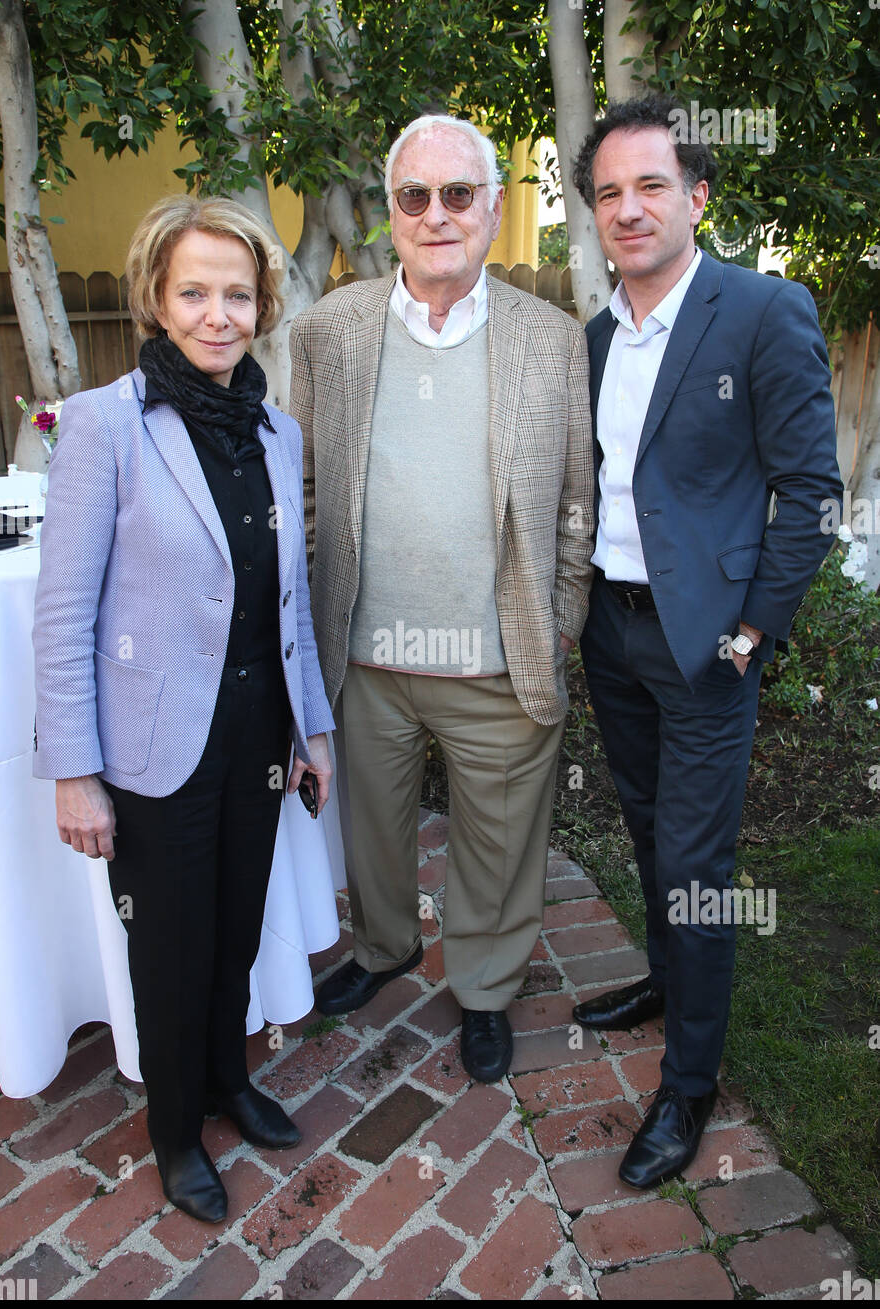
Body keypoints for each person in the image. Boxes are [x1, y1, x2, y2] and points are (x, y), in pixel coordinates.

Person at [33, 195, 334, 1222]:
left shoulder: (276, 429)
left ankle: (227, 1081)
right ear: (156, 300)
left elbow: (290, 600)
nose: (218, 314)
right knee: (167, 946)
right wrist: (75, 770)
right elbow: (62, 613)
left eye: (237, 294)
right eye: (194, 292)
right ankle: (173, 1135)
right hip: (153, 747)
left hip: (257, 731)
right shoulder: (101, 425)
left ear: (263, 305)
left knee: (236, 927)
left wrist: (312, 730)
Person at [570, 96, 842, 1186]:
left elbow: (810, 492)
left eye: (649, 186)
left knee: (697, 867)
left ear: (697, 196)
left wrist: (748, 639)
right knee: (645, 830)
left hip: (706, 651)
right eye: (607, 194)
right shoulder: (596, 339)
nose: (628, 210)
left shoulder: (762, 310)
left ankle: (688, 1091)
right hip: (612, 630)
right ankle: (665, 981)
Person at [290, 113, 594, 1083]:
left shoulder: (551, 340)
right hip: (366, 654)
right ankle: (382, 949)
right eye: (413, 196)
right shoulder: (328, 329)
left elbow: (577, 505)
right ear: (390, 211)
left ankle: (488, 985)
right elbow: (298, 485)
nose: (435, 215)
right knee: (371, 829)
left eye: (457, 193)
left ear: (493, 207)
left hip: (497, 655)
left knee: (500, 839)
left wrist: (558, 621)